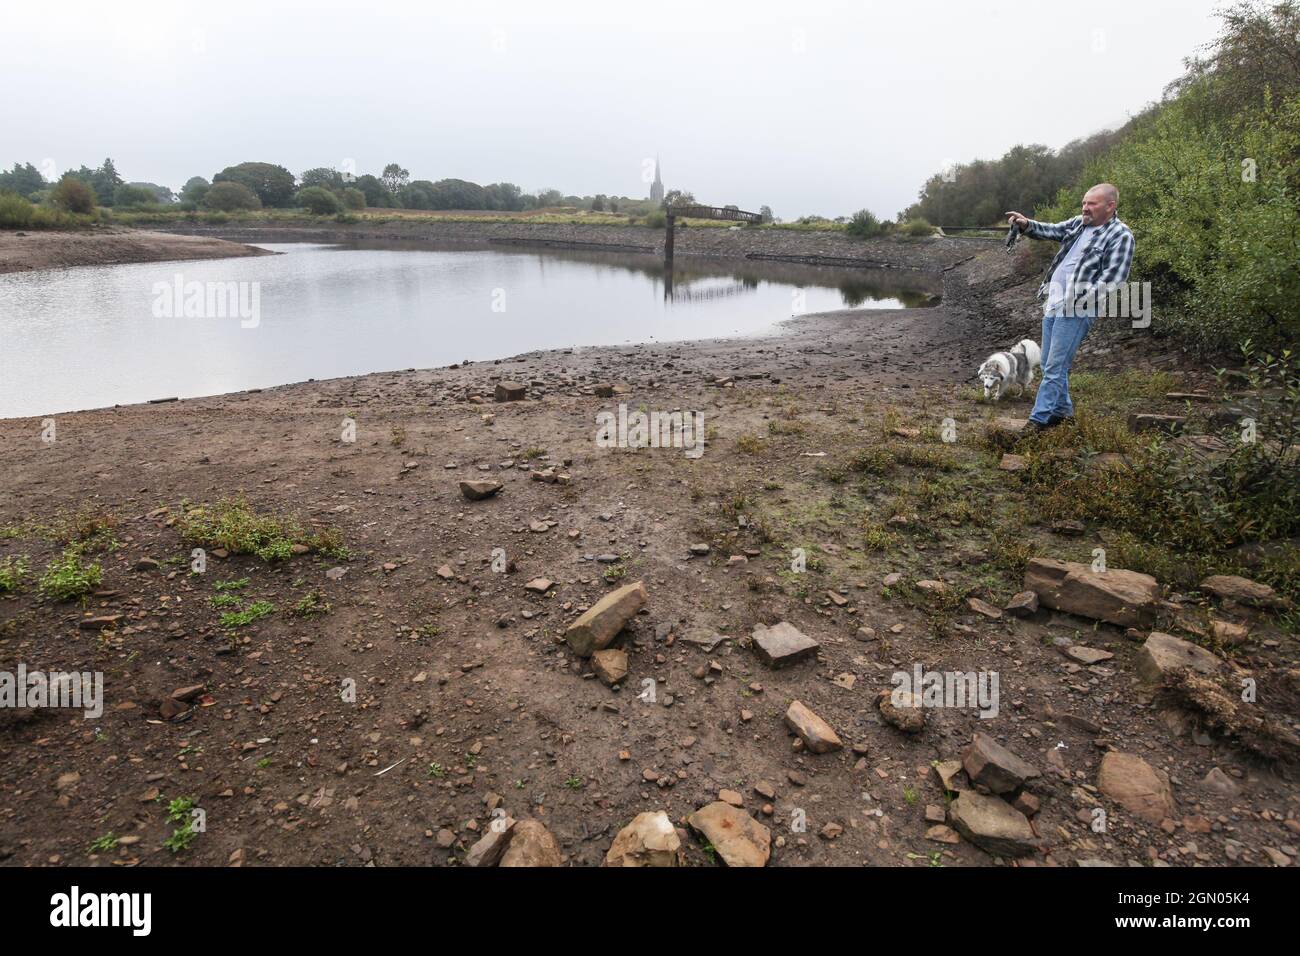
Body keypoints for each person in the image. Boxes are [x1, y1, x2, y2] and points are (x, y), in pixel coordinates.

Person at [1005, 184, 1134, 434]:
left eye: (1092, 204)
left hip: (1077, 308)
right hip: (1054, 301)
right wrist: (1025, 224)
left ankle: (1038, 419)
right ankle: (1064, 413)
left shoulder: (1121, 235)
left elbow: (1113, 278)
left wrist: (1079, 299)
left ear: (1110, 206)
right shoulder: (1079, 223)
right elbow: (1052, 230)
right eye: (1084, 203)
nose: (1085, 208)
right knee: (1049, 362)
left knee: (1055, 366)